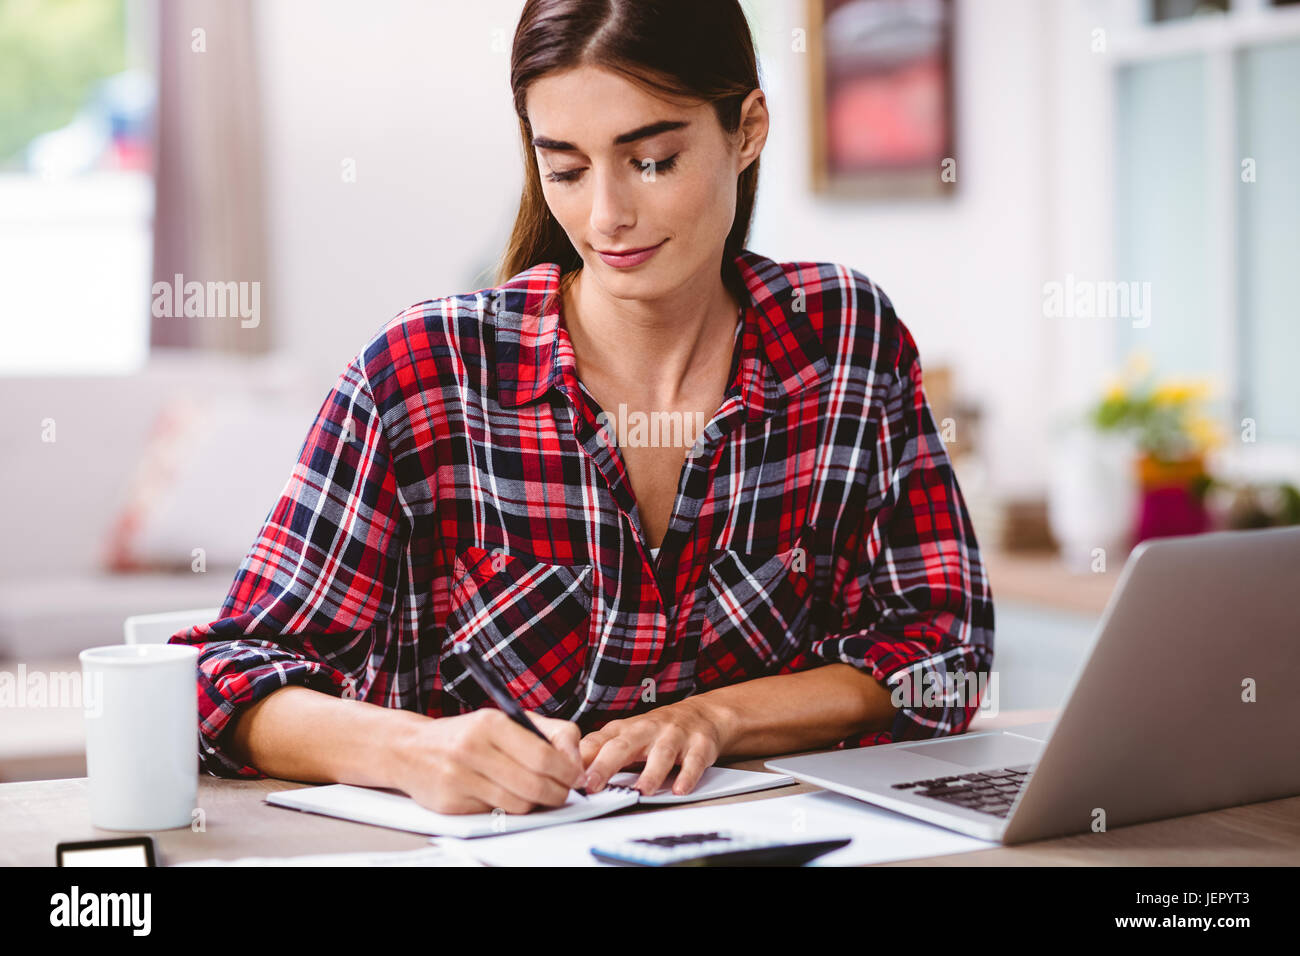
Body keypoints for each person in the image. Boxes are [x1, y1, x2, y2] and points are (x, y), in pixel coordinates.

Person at [168, 0, 994, 816]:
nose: (606, 217)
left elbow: (945, 656)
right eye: (564, 169)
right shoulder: (428, 373)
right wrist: (413, 750)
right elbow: (215, 687)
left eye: (654, 161)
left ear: (747, 129)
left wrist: (715, 717)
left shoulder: (844, 341)